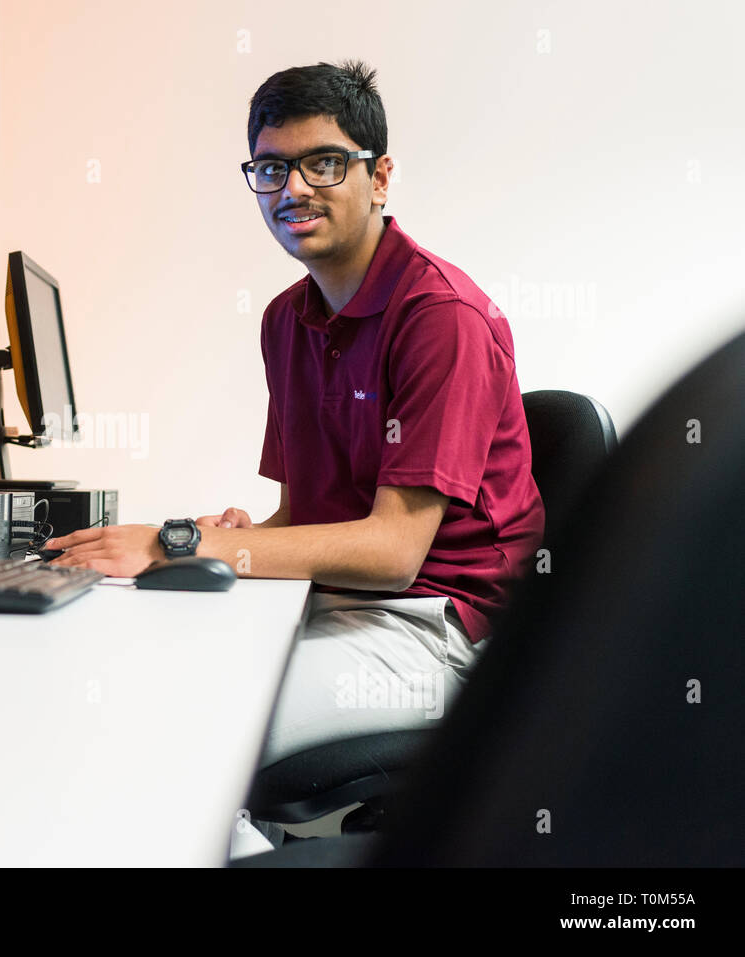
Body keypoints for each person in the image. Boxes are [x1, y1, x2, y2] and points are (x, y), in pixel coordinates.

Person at [46, 60, 545, 850]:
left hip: (433, 629)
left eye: (324, 162)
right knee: (147, 663)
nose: (292, 188)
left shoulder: (440, 317)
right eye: (271, 168)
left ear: (379, 178)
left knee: (183, 729)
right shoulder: (287, 318)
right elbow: (308, 515)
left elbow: (389, 551)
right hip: (342, 605)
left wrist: (186, 541)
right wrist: (246, 533)